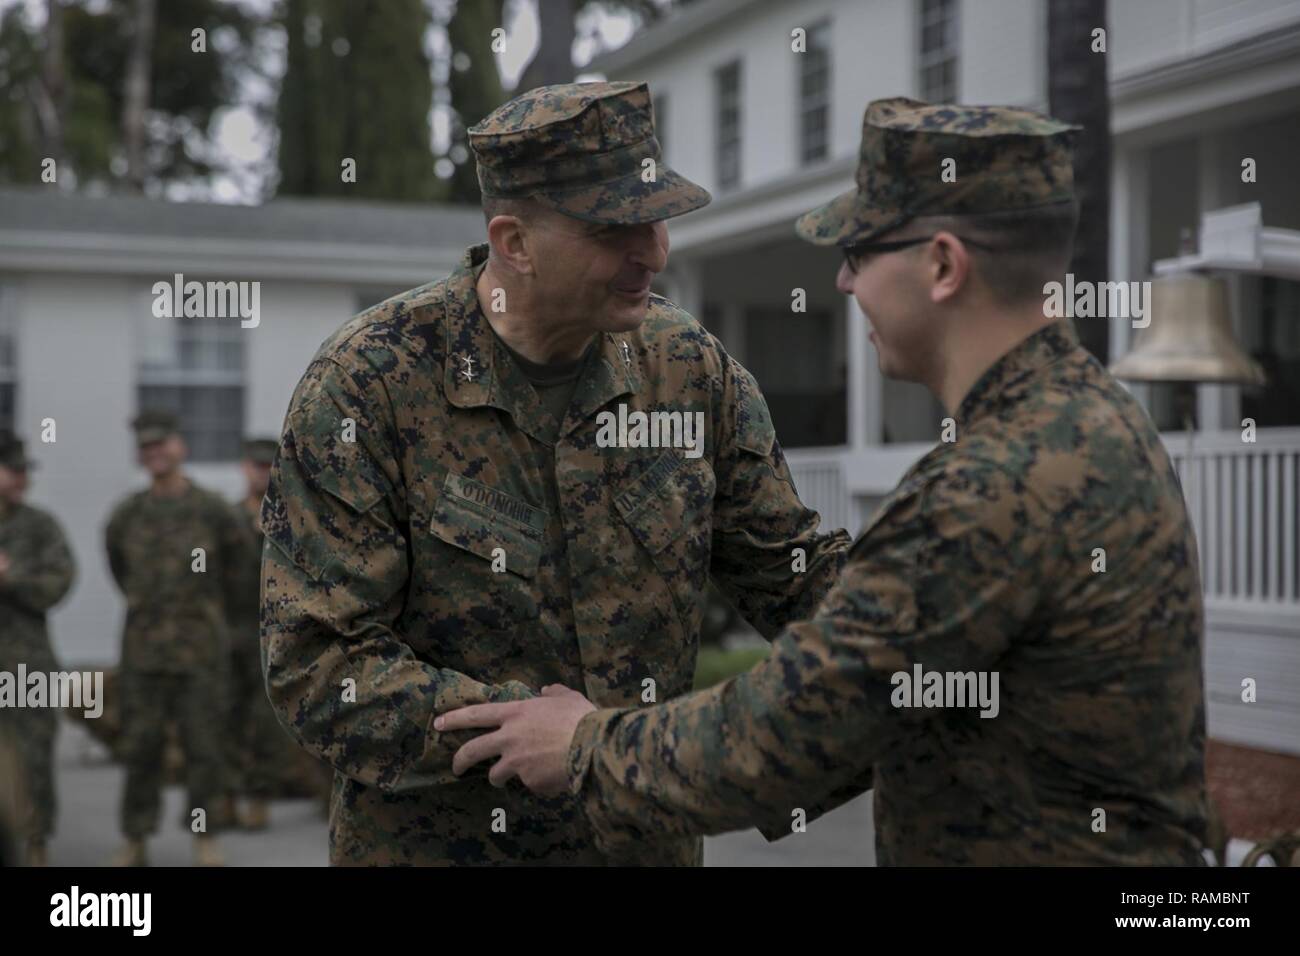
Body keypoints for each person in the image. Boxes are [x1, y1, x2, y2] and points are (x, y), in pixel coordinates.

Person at [436, 97, 1210, 866]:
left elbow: (793, 729)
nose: (843, 282)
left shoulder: (995, 485)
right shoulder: (1100, 421)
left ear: (942, 265)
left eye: (860, 252)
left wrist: (583, 746)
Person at [260, 81, 852, 865]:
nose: (654, 252)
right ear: (514, 243)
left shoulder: (689, 373)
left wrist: (942, 628)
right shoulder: (372, 383)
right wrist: (525, 732)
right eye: (616, 228)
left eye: (658, 218)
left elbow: (792, 576)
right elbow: (316, 663)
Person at [106, 411, 247, 866]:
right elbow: (119, 569)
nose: (155, 454)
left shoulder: (213, 510)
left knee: (204, 748)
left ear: (180, 447)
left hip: (201, 650)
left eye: (161, 444)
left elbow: (240, 572)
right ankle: (136, 836)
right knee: (140, 747)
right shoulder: (127, 515)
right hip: (144, 652)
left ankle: (204, 836)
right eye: (146, 448)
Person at [0, 430, 76, 866]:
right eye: (14, 471)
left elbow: (58, 582)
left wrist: (11, 578)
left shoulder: (38, 525)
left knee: (33, 756)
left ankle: (35, 844)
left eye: (25, 471)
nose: (22, 479)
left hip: (27, 664)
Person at [218, 437, 286, 830]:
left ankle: (259, 796)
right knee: (226, 714)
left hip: (273, 633)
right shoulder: (226, 517)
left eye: (268, 465)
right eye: (255, 465)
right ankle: (225, 795)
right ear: (244, 468)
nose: (261, 472)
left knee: (266, 721)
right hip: (231, 629)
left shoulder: (291, 517)